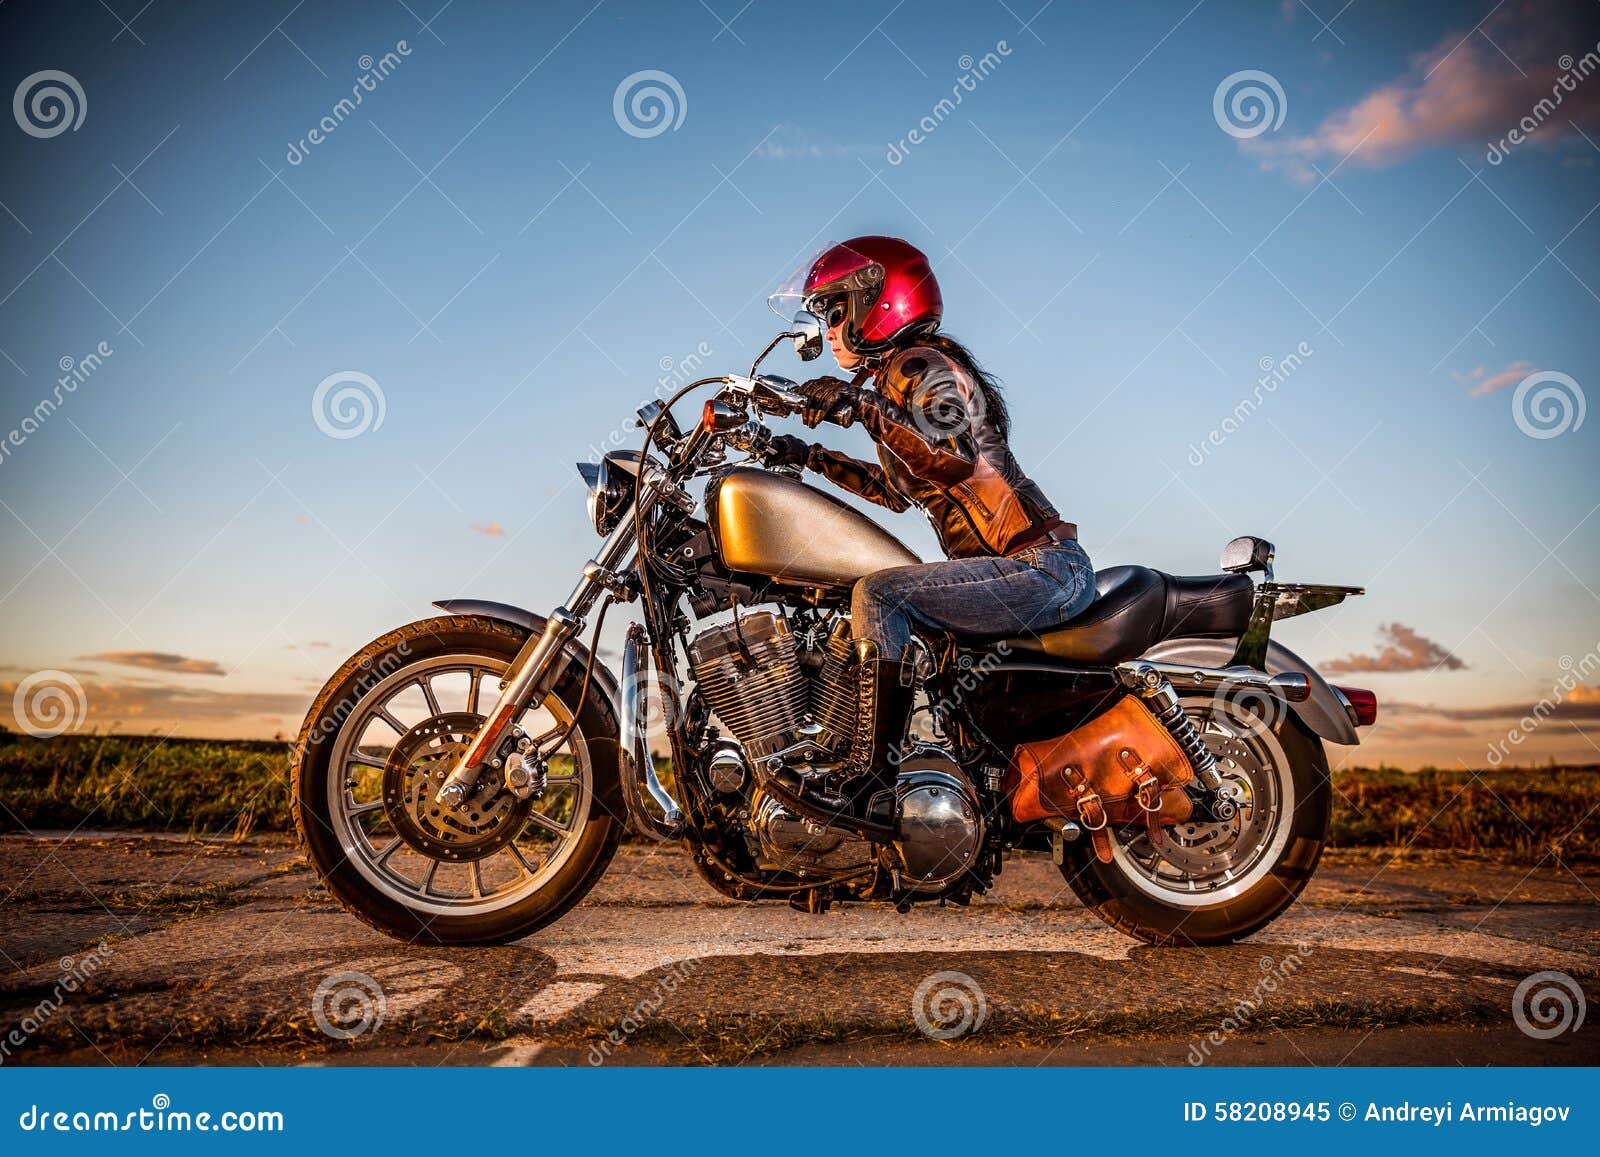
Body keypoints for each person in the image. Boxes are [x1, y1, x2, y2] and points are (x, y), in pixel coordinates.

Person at [764, 236, 1095, 777]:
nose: (828, 330)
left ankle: (871, 777)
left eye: (835, 312)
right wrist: (807, 456)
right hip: (1018, 568)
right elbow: (895, 490)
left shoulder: (922, 365)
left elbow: (953, 456)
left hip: (1040, 567)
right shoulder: (897, 380)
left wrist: (859, 405)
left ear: (877, 303)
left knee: (879, 594)